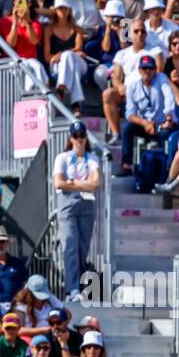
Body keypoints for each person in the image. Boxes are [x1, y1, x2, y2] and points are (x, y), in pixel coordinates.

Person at [52, 122, 101, 302]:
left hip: (86, 203)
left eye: (82, 135)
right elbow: (58, 183)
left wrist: (72, 183)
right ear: (70, 138)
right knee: (70, 244)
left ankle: (79, 286)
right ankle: (72, 288)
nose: (79, 139)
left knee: (82, 248)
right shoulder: (62, 158)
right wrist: (82, 184)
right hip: (68, 203)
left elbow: (96, 183)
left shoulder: (92, 157)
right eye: (76, 136)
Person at [119, 54, 178, 176]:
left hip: (164, 123)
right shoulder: (132, 86)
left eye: (151, 68)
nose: (148, 71)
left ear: (155, 70)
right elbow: (129, 114)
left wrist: (168, 118)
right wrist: (145, 123)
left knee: (165, 133)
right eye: (144, 68)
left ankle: (166, 169)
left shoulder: (161, 78)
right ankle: (126, 164)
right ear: (139, 70)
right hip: (146, 124)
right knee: (127, 128)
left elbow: (169, 98)